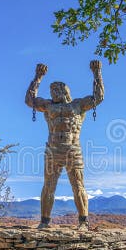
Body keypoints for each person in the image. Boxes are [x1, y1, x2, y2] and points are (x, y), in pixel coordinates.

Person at [24, 60, 104, 230]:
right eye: (51, 90)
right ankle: (44, 222)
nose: (53, 93)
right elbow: (29, 101)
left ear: (65, 91)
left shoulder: (78, 105)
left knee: (78, 185)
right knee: (48, 186)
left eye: (56, 90)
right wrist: (38, 77)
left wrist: (97, 73)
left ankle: (83, 222)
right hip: (52, 150)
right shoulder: (48, 106)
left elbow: (98, 98)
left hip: (72, 150)